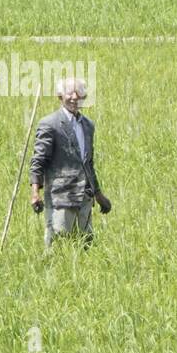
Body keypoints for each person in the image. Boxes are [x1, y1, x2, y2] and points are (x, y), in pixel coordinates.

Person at [29, 78, 112, 249]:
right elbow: (38, 160)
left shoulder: (88, 125)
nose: (74, 97)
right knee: (57, 246)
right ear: (60, 96)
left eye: (79, 93)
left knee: (86, 245)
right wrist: (35, 193)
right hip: (60, 197)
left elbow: (88, 163)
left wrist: (98, 194)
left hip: (84, 197)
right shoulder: (49, 124)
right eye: (69, 93)